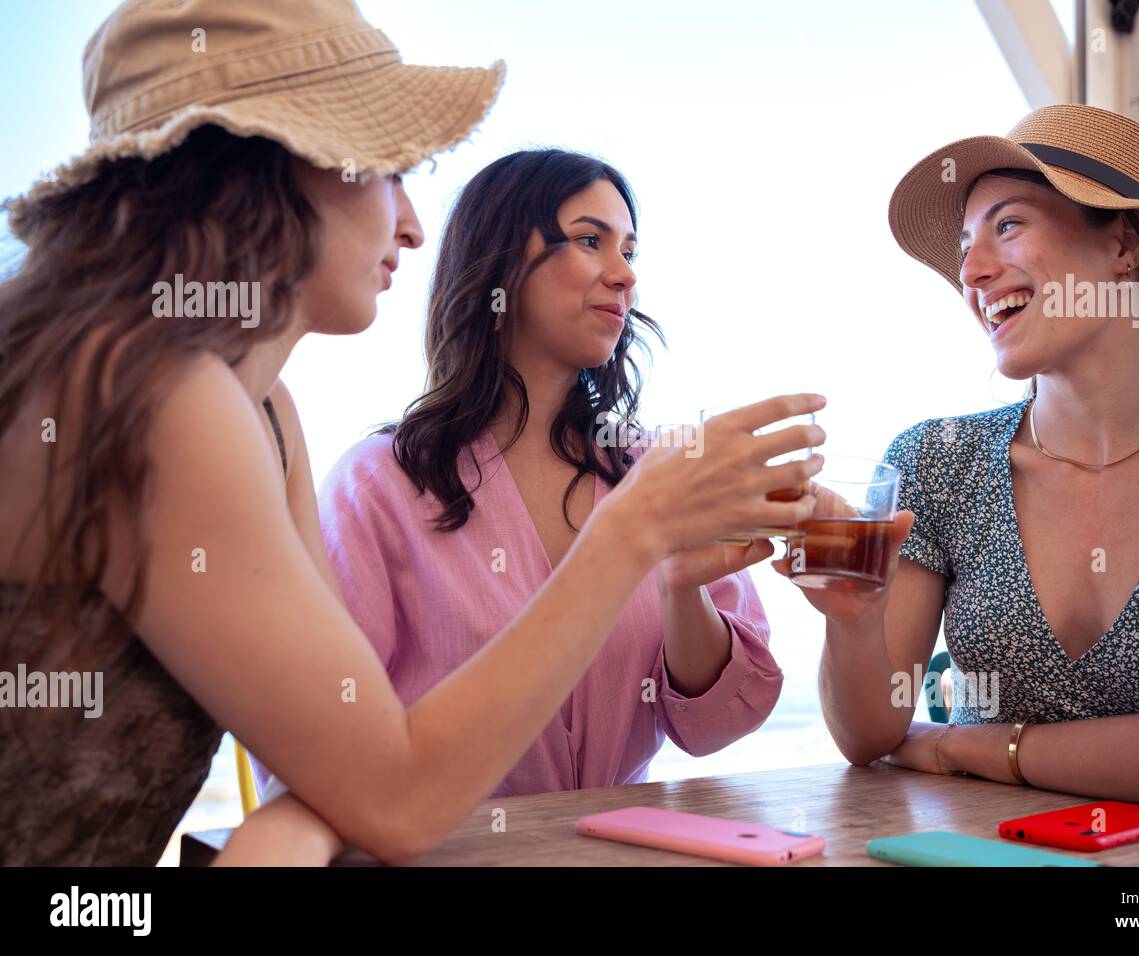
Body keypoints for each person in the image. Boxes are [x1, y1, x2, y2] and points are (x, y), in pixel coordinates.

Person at [0, 0, 823, 866]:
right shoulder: (160, 395)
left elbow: (349, 755)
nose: (412, 223)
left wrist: (300, 819)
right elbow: (394, 794)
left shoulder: (266, 413)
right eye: (388, 170)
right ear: (270, 168)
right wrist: (636, 527)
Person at [785, 104, 1139, 816]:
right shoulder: (938, 460)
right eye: (965, 245)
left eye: (1008, 224)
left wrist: (964, 747)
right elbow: (870, 734)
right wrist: (850, 620)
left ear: (1125, 242)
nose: (972, 271)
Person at [252, 149, 797, 804]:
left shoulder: (656, 472)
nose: (624, 274)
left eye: (630, 250)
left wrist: (683, 587)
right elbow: (311, 755)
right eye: (592, 240)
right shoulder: (377, 486)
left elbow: (717, 725)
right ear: (501, 261)